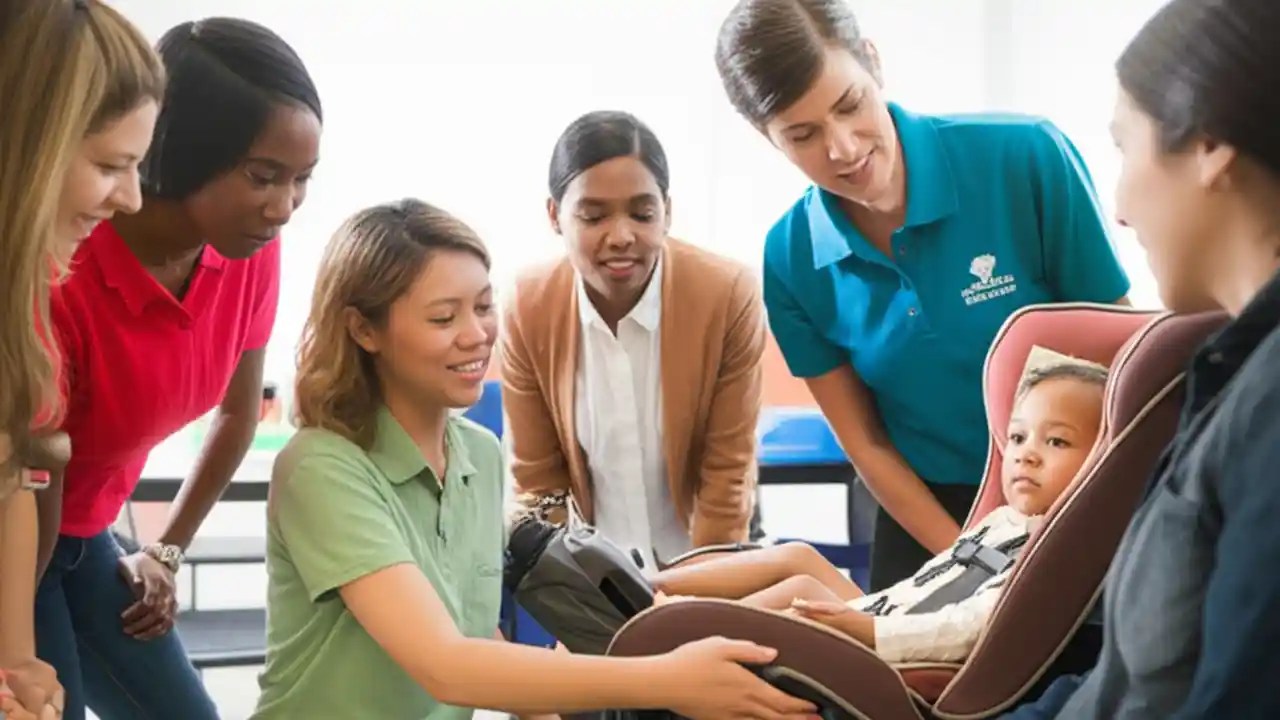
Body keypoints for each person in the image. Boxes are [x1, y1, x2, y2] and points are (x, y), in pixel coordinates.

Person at [253, 198, 814, 720]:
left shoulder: (478, 452)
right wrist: (665, 679)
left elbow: (472, 632)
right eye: (444, 319)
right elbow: (445, 664)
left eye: (482, 306)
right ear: (362, 329)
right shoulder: (322, 467)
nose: (477, 336)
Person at [713, 0, 1131, 590]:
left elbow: (1123, 357)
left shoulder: (1024, 157)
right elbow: (868, 445)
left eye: (850, 105)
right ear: (767, 136)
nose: (842, 148)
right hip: (929, 510)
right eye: (802, 135)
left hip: (1079, 482)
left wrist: (1081, 513)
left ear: (873, 64)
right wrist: (975, 560)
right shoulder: (790, 257)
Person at [32, 16, 321, 720]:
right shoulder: (63, 270)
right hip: (20, 527)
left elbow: (237, 413)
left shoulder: (248, 249)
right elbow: (32, 474)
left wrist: (166, 551)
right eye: (263, 177)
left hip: (81, 530)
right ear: (183, 149)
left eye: (302, 181)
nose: (284, 207)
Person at [1003, 0, 1280, 718]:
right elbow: (1121, 683)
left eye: (1125, 148)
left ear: (1210, 144)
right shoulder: (1232, 371)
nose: (1120, 208)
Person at [654, 360, 1106, 664]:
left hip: (897, 650)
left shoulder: (1060, 552)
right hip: (887, 612)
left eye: (1057, 442)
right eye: (1019, 437)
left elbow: (972, 627)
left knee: (799, 595)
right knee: (799, 559)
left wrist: (869, 629)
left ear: (1105, 460)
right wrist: (871, 610)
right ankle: (651, 589)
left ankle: (681, 633)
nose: (1026, 455)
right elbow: (932, 578)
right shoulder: (1005, 520)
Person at [502, 110, 767, 571]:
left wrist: (695, 597)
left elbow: (726, 475)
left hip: (715, 557)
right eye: (593, 215)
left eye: (643, 214)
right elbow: (540, 483)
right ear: (555, 216)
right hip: (599, 575)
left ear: (668, 212)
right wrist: (583, 592)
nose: (621, 236)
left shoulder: (726, 294)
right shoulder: (528, 305)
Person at [0, 1, 164, 718]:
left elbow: (18, 481)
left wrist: (16, 660)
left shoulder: (26, 311)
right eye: (109, 166)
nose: (128, 198)